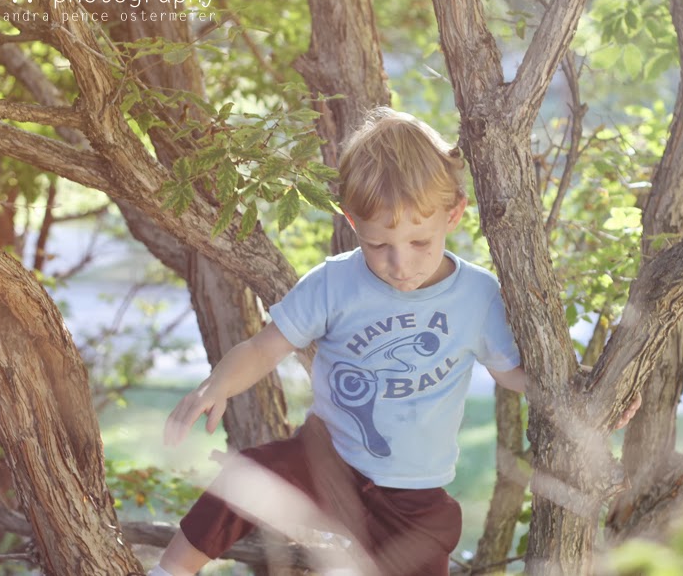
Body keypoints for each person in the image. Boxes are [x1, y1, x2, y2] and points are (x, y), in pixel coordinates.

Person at [150, 108, 638, 576]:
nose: (400, 264)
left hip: (414, 496)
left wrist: (587, 394)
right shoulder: (335, 283)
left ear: (453, 214)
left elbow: (510, 371)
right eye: (378, 245)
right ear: (352, 221)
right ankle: (169, 570)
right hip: (327, 458)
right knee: (249, 476)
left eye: (419, 242)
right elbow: (265, 347)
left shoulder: (476, 295)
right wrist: (217, 385)